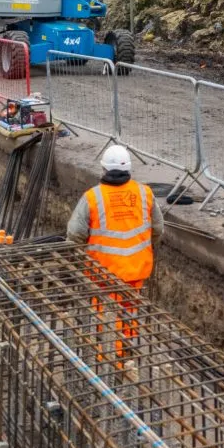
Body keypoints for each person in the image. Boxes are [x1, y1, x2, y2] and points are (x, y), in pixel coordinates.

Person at [68, 144, 165, 366]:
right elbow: (158, 229)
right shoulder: (144, 193)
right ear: (129, 169)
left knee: (106, 317)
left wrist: (75, 258)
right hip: (135, 270)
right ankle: (126, 356)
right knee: (129, 314)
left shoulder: (92, 197)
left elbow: (74, 234)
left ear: (103, 169)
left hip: (102, 274)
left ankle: (110, 362)